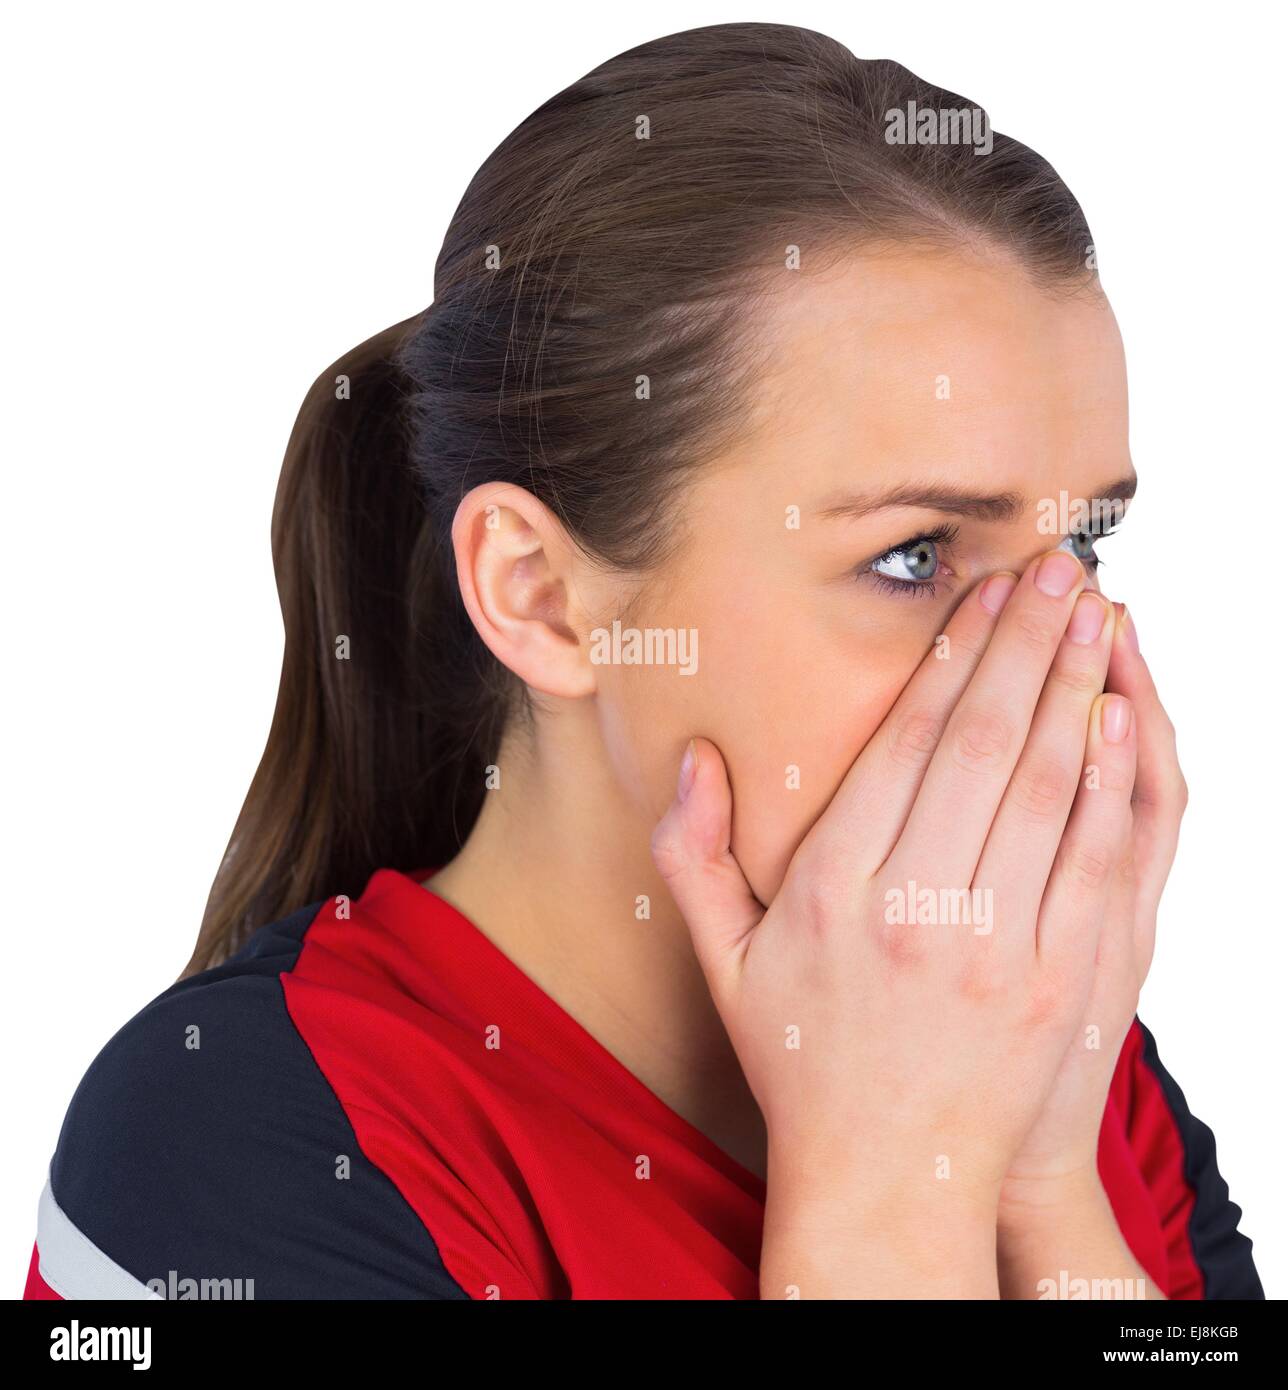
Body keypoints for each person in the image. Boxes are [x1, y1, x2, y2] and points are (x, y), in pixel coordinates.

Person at [24, 21, 1262, 1300]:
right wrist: (892, 1187)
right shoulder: (220, 1148)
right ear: (542, 597)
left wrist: (1042, 1187)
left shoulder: (1057, 1053)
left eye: (1083, 549)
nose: (1063, 664)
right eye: (916, 555)